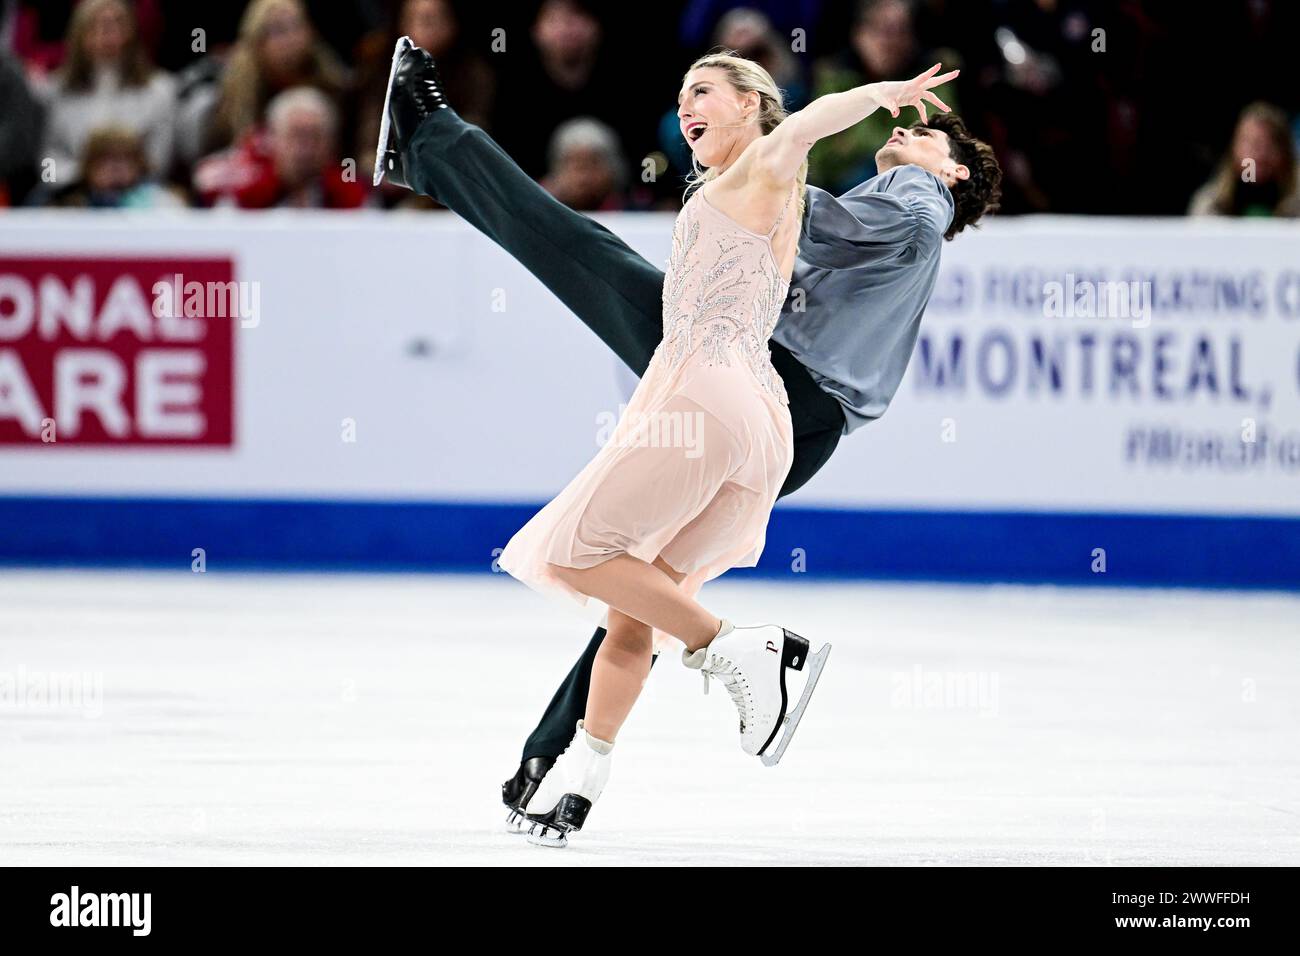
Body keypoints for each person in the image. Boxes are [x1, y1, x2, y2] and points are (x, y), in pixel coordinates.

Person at [372, 40, 1001, 839]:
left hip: (764, 384)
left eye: (928, 139)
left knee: (580, 252)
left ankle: (431, 140)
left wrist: (839, 125)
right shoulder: (890, 208)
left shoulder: (919, 200)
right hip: (785, 414)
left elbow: (825, 198)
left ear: (952, 173)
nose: (912, 138)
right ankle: (560, 757)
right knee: (642, 588)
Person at [1188, 102, 1300, 218]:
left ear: (1285, 151)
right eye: (1252, 144)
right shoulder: (1210, 203)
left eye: (1268, 144)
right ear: (1234, 149)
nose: (1260, 154)